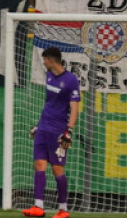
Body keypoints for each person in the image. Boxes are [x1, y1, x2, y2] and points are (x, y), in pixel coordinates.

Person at [22, 47, 82, 218]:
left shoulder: (71, 80)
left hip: (58, 131)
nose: (43, 63)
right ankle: (38, 207)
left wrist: (68, 131)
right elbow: (48, 104)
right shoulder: (49, 76)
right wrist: (39, 126)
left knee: (57, 169)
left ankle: (63, 209)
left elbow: (74, 107)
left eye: (44, 60)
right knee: (39, 165)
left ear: (51, 60)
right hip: (44, 129)